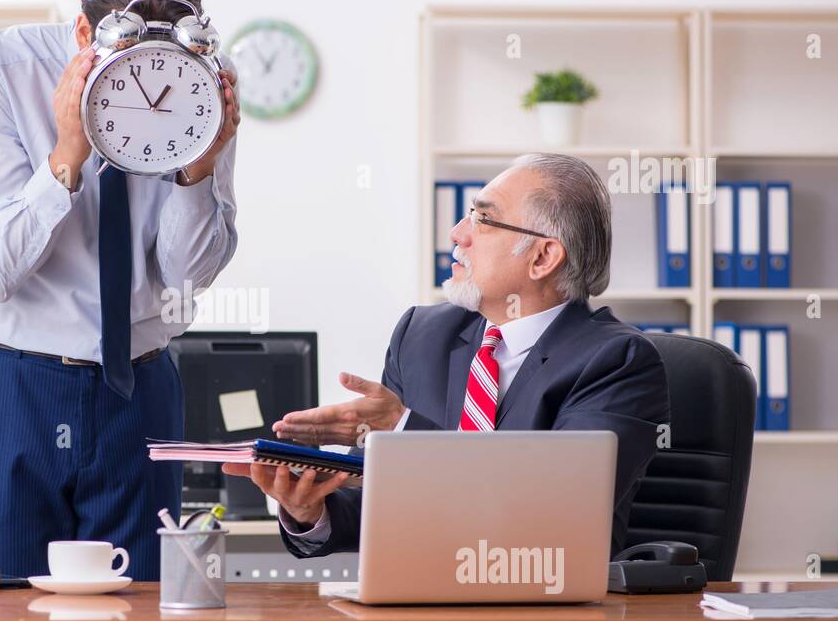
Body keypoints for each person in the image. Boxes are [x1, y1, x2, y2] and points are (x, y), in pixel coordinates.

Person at [0, 0, 241, 581]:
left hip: (137, 386)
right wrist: (66, 157)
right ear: (84, 30)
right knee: (4, 620)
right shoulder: (0, 69)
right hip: (4, 384)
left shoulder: (201, 83)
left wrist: (198, 172)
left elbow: (186, 278)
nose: (153, 82)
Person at [223, 153, 669, 558]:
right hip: (417, 605)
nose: (458, 234)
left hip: (543, 614)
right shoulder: (422, 335)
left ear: (543, 257)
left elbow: (555, 510)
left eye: (483, 220)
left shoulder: (617, 361)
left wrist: (404, 428)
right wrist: (310, 509)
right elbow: (386, 504)